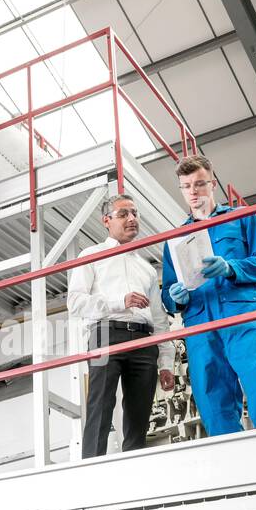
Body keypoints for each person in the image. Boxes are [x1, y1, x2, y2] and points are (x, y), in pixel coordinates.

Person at [161, 156, 256, 435]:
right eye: (186, 186)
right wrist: (176, 297)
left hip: (244, 318)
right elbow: (167, 293)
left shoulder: (241, 219)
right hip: (201, 328)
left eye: (199, 184)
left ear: (213, 184)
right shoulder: (175, 240)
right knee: (213, 402)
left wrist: (231, 267)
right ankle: (234, 469)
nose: (193, 192)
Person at [67, 194, 175, 458]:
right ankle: (92, 471)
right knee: (100, 407)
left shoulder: (147, 269)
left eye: (135, 213)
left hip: (143, 341)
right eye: (124, 214)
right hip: (105, 333)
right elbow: (75, 302)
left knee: (140, 415)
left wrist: (166, 363)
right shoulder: (91, 255)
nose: (132, 219)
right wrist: (119, 302)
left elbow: (160, 319)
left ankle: (133, 476)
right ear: (106, 221)